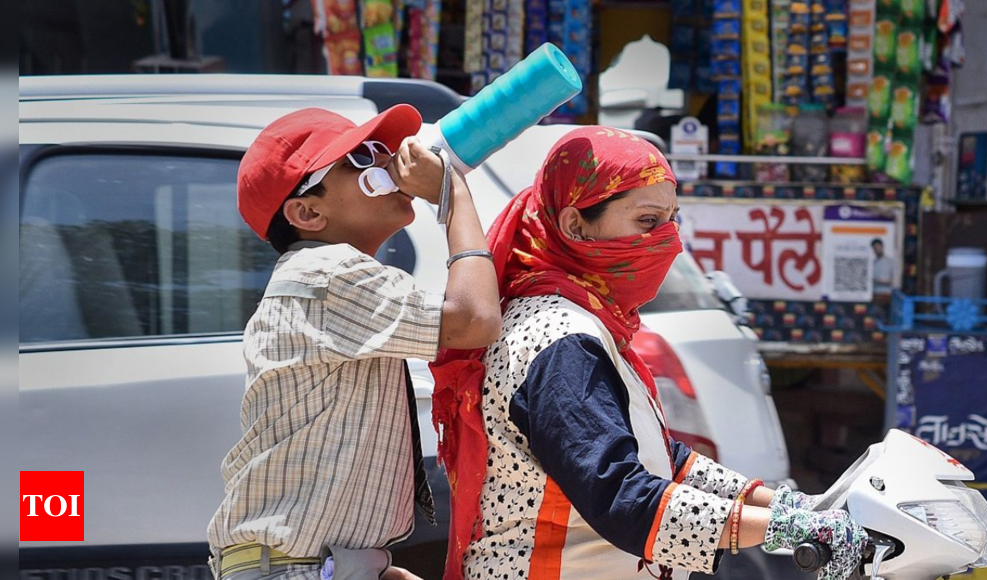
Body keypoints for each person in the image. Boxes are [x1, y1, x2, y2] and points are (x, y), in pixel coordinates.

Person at [431, 127, 867, 580]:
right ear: (576, 226)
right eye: (647, 222)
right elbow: (620, 496)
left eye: (672, 220)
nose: (669, 240)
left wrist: (789, 506)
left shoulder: (586, 322)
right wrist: (785, 529)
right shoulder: (558, 338)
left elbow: (660, 456)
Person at [207, 106, 502, 580]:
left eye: (382, 150)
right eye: (361, 157)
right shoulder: (326, 274)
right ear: (307, 212)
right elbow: (473, 319)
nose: (387, 163)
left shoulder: (335, 277)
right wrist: (453, 196)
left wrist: (369, 566)